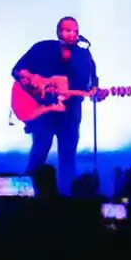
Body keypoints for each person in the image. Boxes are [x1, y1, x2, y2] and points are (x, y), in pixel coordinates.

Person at [11, 16, 96, 193]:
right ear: (58, 32)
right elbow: (17, 70)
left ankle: (67, 198)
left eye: (75, 31)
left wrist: (95, 92)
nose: (72, 34)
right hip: (44, 113)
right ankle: (25, 193)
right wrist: (35, 81)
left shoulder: (83, 55)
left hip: (70, 115)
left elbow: (90, 84)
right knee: (39, 152)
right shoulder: (42, 48)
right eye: (67, 30)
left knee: (68, 157)